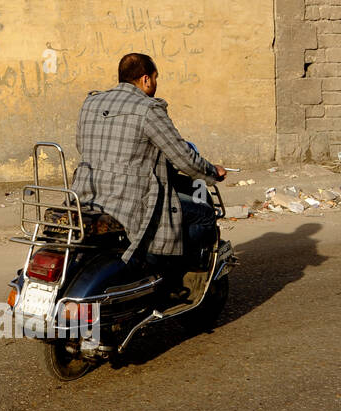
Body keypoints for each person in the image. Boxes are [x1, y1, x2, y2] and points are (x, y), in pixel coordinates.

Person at [71, 53, 226, 297]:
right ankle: (173, 277)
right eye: (155, 78)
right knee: (204, 214)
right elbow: (183, 157)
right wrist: (211, 172)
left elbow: (82, 146)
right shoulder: (148, 109)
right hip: (130, 202)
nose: (154, 84)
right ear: (146, 79)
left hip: (86, 196)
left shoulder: (91, 103)